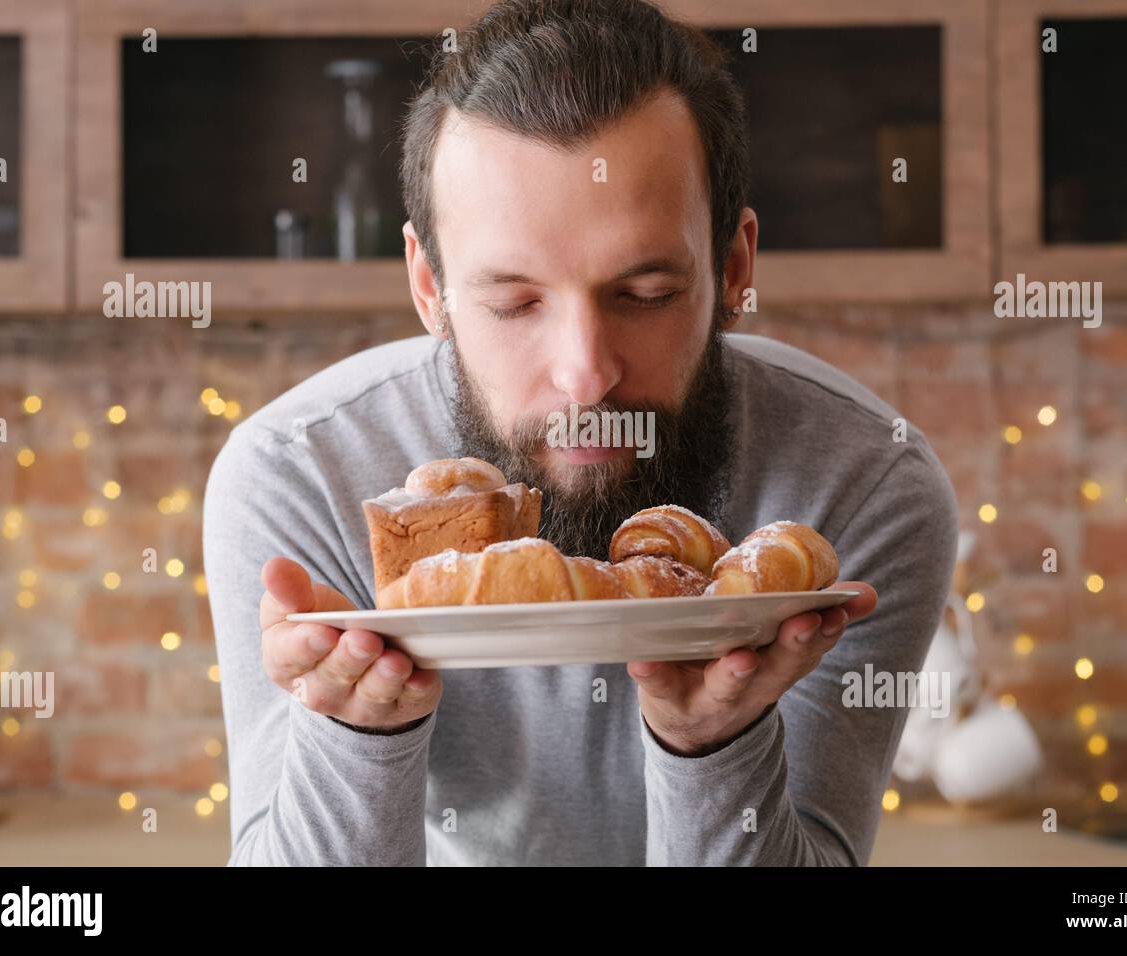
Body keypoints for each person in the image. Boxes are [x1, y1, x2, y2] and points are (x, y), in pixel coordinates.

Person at [203, 0, 957, 866]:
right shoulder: (301, 473)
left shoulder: (864, 483)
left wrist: (711, 746)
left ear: (734, 268)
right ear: (428, 288)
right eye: (513, 303)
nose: (585, 374)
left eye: (644, 295)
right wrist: (361, 736)